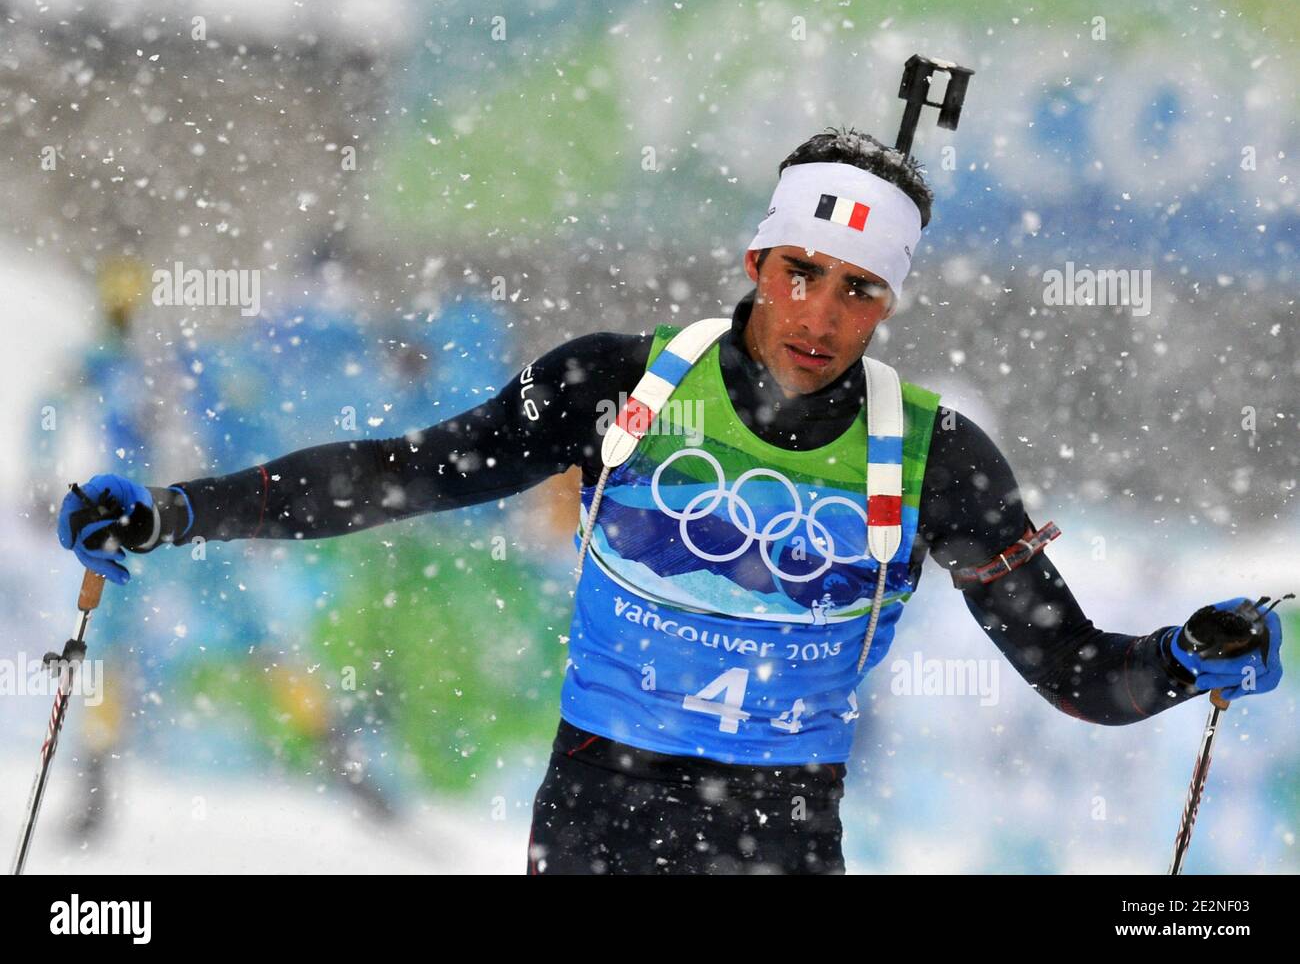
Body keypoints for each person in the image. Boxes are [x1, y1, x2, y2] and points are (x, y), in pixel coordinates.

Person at [56, 127, 1284, 875]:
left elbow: (1079, 673)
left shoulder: (937, 459)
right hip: (597, 811)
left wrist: (1188, 656)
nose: (820, 313)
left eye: (859, 289)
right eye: (801, 270)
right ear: (756, 260)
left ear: (889, 303)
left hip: (778, 832)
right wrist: (175, 511)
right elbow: (400, 472)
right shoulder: (615, 382)